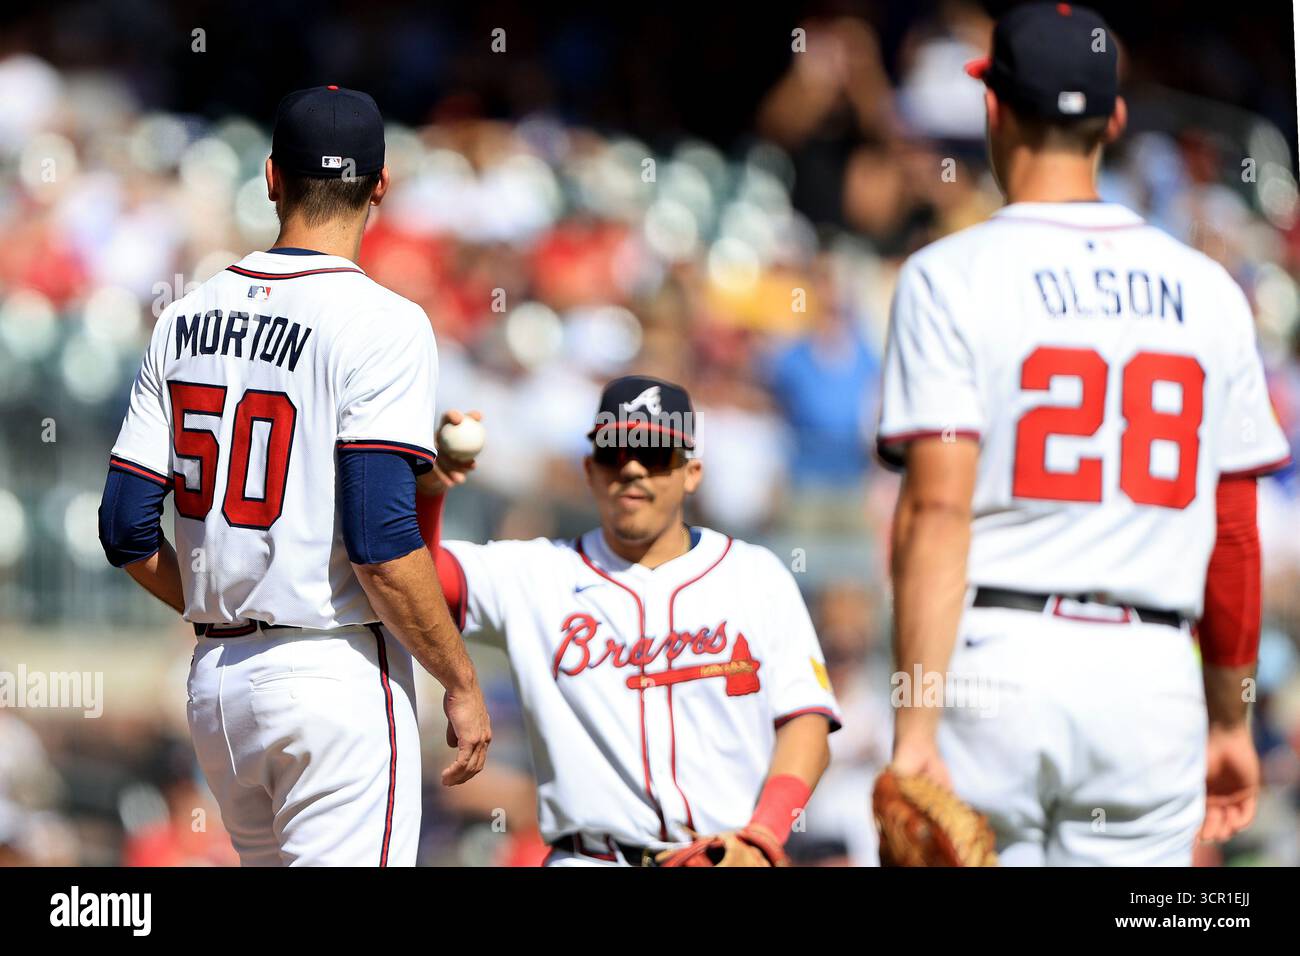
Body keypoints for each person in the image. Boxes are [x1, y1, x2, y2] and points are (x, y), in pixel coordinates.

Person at [876, 3, 1291, 865]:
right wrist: (1229, 717)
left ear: (993, 109)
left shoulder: (948, 275)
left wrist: (914, 727)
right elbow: (1237, 533)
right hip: (1152, 680)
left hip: (998, 667)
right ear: (1117, 119)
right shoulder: (1209, 289)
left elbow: (935, 516)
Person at [97, 86, 490, 867]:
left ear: (272, 178)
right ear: (380, 185)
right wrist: (460, 676)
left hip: (219, 688)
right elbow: (380, 543)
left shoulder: (184, 315)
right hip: (331, 670)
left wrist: (228, 607)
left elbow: (125, 528)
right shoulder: (385, 321)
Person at [417, 376, 841, 866]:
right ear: (590, 470)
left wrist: (763, 835)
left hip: (726, 856)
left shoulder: (755, 574)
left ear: (692, 472)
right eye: (615, 453)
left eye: (656, 454)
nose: (633, 468)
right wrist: (430, 487)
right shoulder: (536, 572)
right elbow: (418, 578)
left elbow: (806, 719)